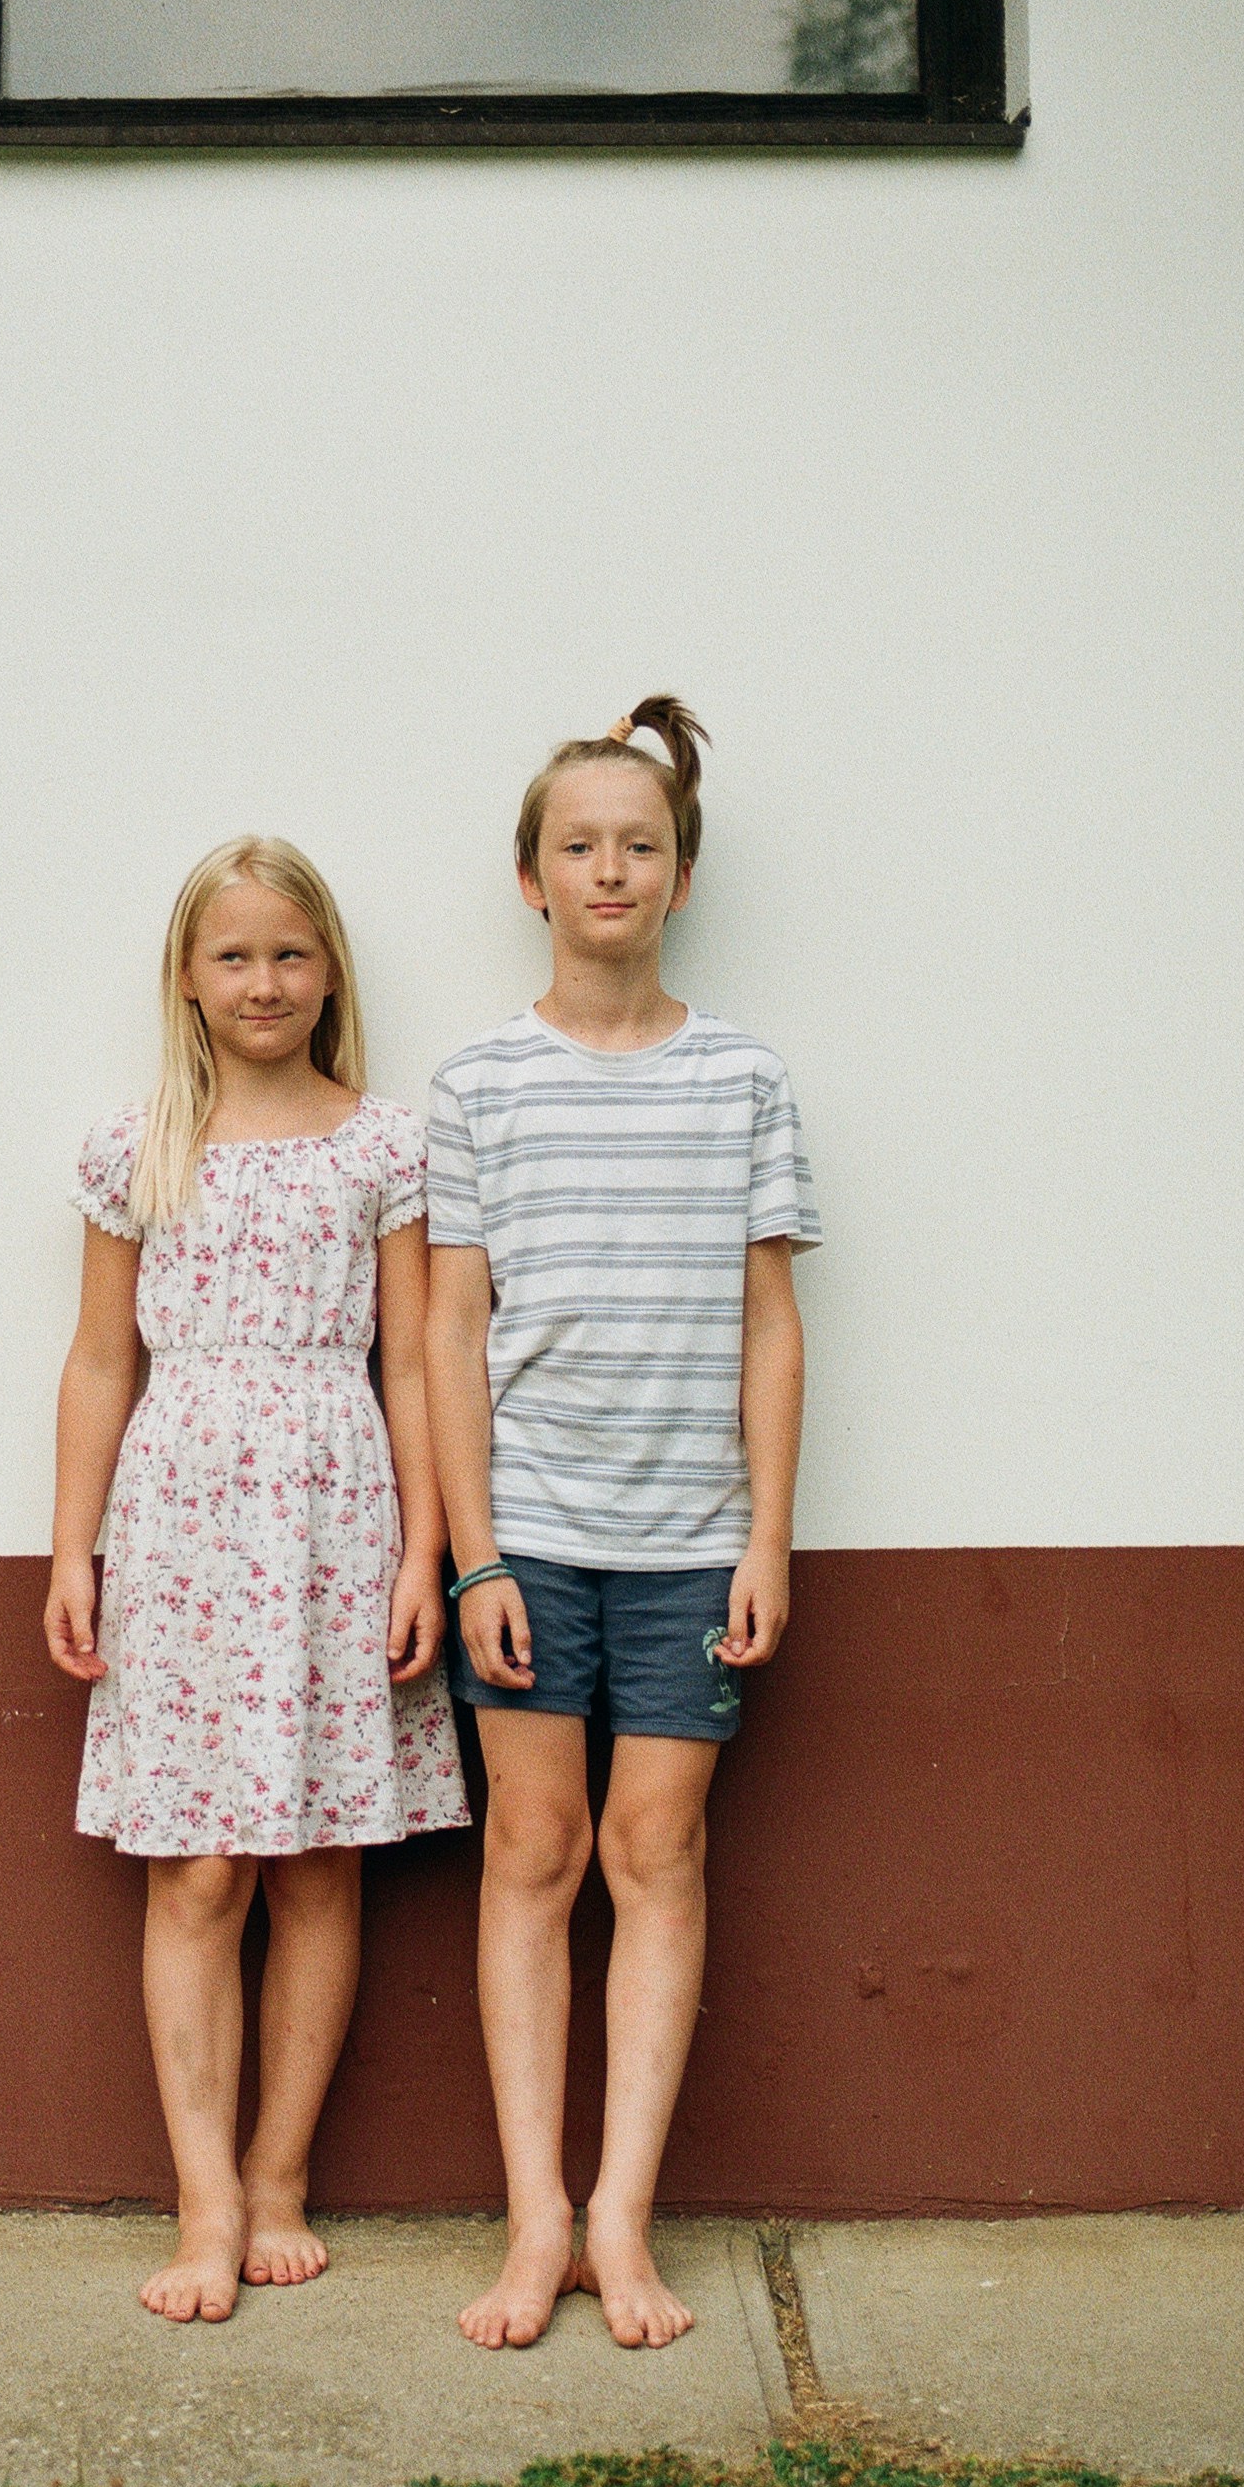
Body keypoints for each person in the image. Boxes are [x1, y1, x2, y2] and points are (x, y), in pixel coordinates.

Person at [425, 698, 821, 2351]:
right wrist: (474, 1556)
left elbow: (772, 1327)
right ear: (529, 876)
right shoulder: (479, 1087)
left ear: (678, 873)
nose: (611, 868)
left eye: (639, 845)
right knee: (534, 1851)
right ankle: (532, 2229)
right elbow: (445, 1335)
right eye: (578, 844)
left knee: (655, 1854)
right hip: (533, 1538)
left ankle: (620, 2223)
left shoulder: (741, 1078)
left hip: (689, 1546)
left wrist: (768, 1540)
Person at [46, 836, 469, 2324]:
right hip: (176, 1524)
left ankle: (280, 2172)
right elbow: (102, 1359)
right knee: (198, 1863)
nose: (263, 981)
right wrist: (71, 1546)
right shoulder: (137, 1148)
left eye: (289, 952)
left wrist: (427, 1549)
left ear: (330, 968)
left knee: (313, 1861)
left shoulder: (384, 1147)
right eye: (233, 955)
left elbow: (414, 1357)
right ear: (186, 976)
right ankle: (203, 2191)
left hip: (334, 1515)